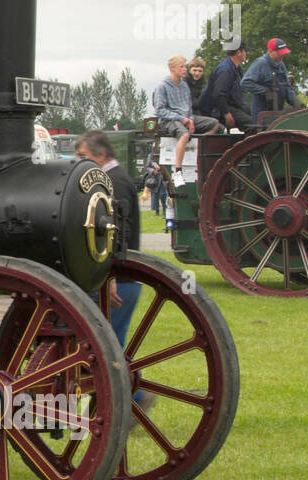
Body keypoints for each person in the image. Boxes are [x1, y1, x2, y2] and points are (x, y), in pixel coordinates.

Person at [75, 131, 153, 413]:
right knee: (112, 344)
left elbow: (116, 233)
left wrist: (109, 278)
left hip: (120, 281)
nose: (79, 163)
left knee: (108, 349)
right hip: (123, 280)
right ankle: (128, 400)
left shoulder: (114, 182)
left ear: (100, 155)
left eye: (82, 157)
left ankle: (132, 401)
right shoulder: (116, 178)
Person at [152, 55, 221, 188]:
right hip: (169, 120)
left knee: (215, 124)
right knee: (184, 134)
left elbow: (188, 107)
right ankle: (178, 172)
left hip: (185, 118)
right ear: (172, 68)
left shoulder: (184, 86)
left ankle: (198, 150)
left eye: (185, 66)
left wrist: (191, 120)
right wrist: (182, 119)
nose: (185, 69)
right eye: (182, 66)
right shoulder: (162, 86)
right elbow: (159, 111)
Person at [241, 37, 300, 123]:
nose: (282, 55)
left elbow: (287, 87)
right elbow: (245, 82)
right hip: (263, 113)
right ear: (270, 51)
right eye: (280, 53)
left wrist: (295, 102)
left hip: (278, 112)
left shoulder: (281, 65)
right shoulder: (260, 63)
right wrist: (265, 91)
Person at [199, 44, 250, 129]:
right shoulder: (225, 70)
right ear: (239, 52)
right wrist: (227, 115)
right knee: (252, 125)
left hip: (232, 106)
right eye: (245, 51)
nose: (246, 54)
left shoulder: (237, 69)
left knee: (257, 118)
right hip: (217, 110)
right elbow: (218, 94)